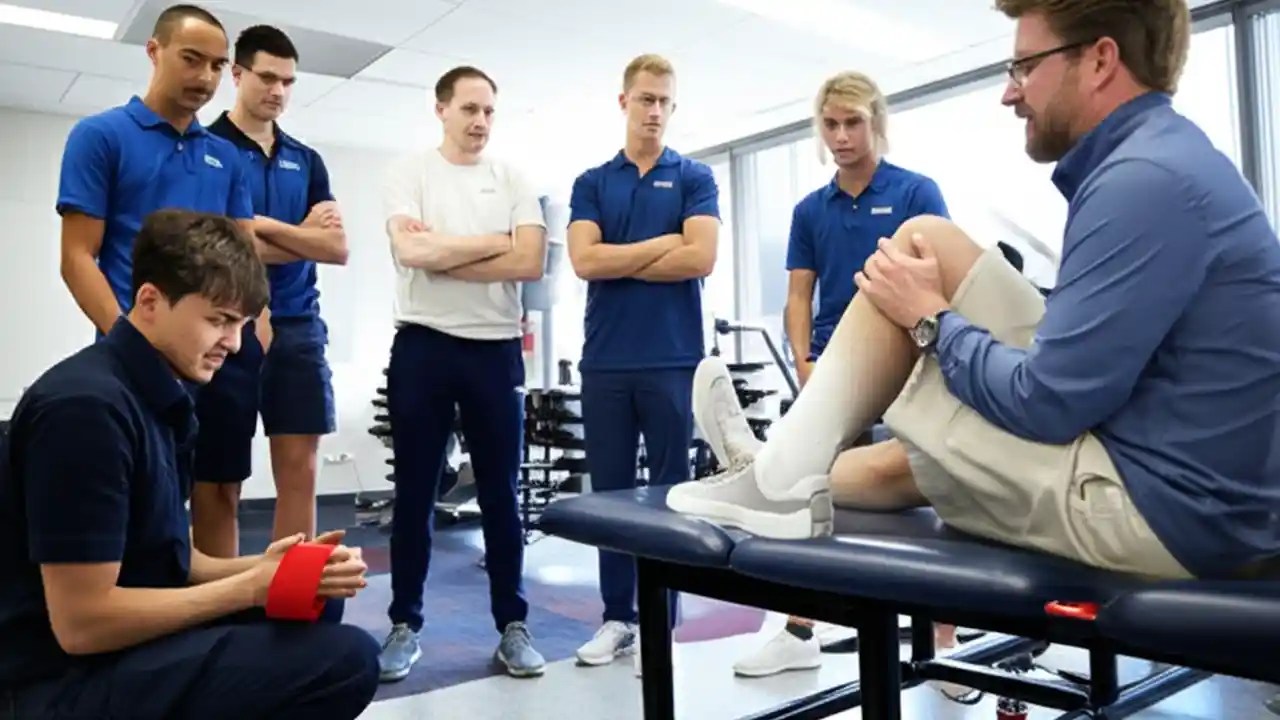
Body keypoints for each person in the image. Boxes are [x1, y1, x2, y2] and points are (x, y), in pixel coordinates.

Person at [671, 0, 1280, 614]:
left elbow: (1046, 406)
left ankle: (775, 475)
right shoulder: (1162, 155)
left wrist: (931, 320)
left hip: (1163, 520)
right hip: (1194, 495)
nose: (1009, 95)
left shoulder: (1143, 180)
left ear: (1099, 61)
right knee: (925, 238)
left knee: (936, 421)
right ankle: (775, 468)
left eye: (1024, 67)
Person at [0, 210, 379, 720]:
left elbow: (170, 560)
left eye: (241, 324)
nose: (235, 343)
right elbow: (82, 624)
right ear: (151, 301)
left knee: (313, 599)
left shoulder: (159, 396)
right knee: (347, 661)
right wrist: (249, 587)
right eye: (219, 320)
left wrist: (272, 568)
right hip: (56, 681)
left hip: (108, 649)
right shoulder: (86, 409)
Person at [694, 70, 951, 679]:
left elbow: (940, 284)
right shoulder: (811, 210)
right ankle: (797, 629)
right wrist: (806, 365)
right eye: (830, 124)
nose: (840, 135)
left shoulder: (917, 192)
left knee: (924, 492)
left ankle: (945, 634)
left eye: (853, 122)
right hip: (834, 371)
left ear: (876, 122)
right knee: (803, 494)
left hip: (908, 365)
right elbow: (798, 297)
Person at [53, 4, 271, 559]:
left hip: (218, 354)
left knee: (221, 489)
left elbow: (243, 258)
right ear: (154, 52)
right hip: (136, 353)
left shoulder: (225, 157)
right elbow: (78, 256)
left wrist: (255, 328)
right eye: (191, 60)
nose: (205, 78)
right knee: (149, 496)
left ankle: (216, 621)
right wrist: (128, 343)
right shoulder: (100, 136)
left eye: (218, 66)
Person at [378, 65, 548, 681]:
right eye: (469, 109)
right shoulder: (410, 172)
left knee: (502, 494)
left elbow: (528, 260)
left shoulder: (513, 179)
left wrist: (449, 251)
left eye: (489, 112)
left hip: (494, 349)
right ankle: (404, 624)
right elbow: (411, 252)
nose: (480, 122)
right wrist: (490, 242)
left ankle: (513, 626)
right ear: (441, 109)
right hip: (423, 347)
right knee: (416, 493)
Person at [567, 53, 721, 673]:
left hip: (672, 358)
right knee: (611, 495)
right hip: (606, 360)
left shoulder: (695, 177)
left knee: (668, 493)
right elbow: (583, 261)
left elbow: (701, 258)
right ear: (624, 102)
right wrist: (663, 244)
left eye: (665, 101)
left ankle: (663, 621)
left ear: (673, 108)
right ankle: (616, 618)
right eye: (645, 99)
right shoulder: (591, 182)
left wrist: (620, 254)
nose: (654, 111)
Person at [205, 24, 348, 558]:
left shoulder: (306, 159)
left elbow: (336, 248)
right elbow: (216, 247)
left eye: (289, 81)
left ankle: (293, 597)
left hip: (298, 325)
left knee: (300, 471)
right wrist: (302, 236)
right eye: (267, 77)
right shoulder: (204, 148)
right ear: (237, 74)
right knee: (218, 478)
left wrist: (258, 229)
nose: (279, 91)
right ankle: (219, 605)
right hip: (225, 326)